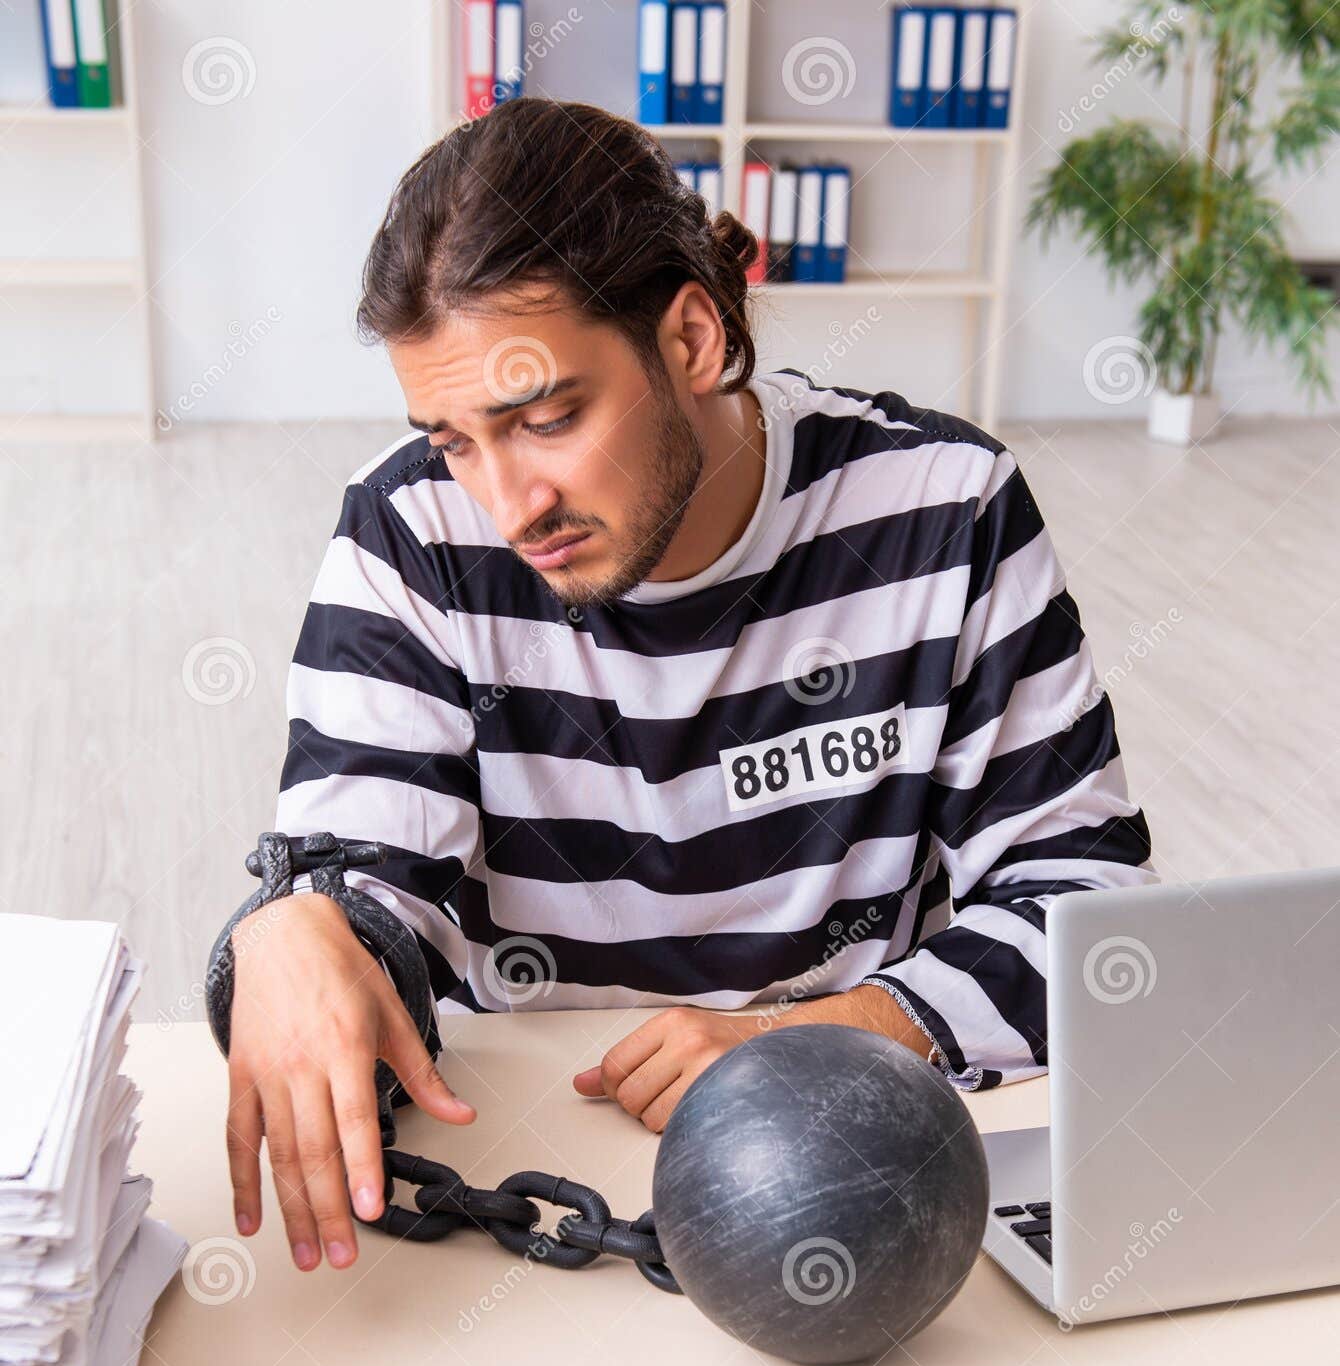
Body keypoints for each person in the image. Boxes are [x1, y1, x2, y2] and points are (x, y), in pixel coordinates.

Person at [225, 98, 1156, 1274]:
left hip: (855, 1166)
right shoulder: (407, 530)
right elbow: (359, 896)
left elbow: (1089, 912)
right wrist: (295, 932)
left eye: (547, 417)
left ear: (693, 340)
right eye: (455, 439)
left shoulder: (941, 511)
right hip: (526, 1171)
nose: (507, 507)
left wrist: (829, 1036)